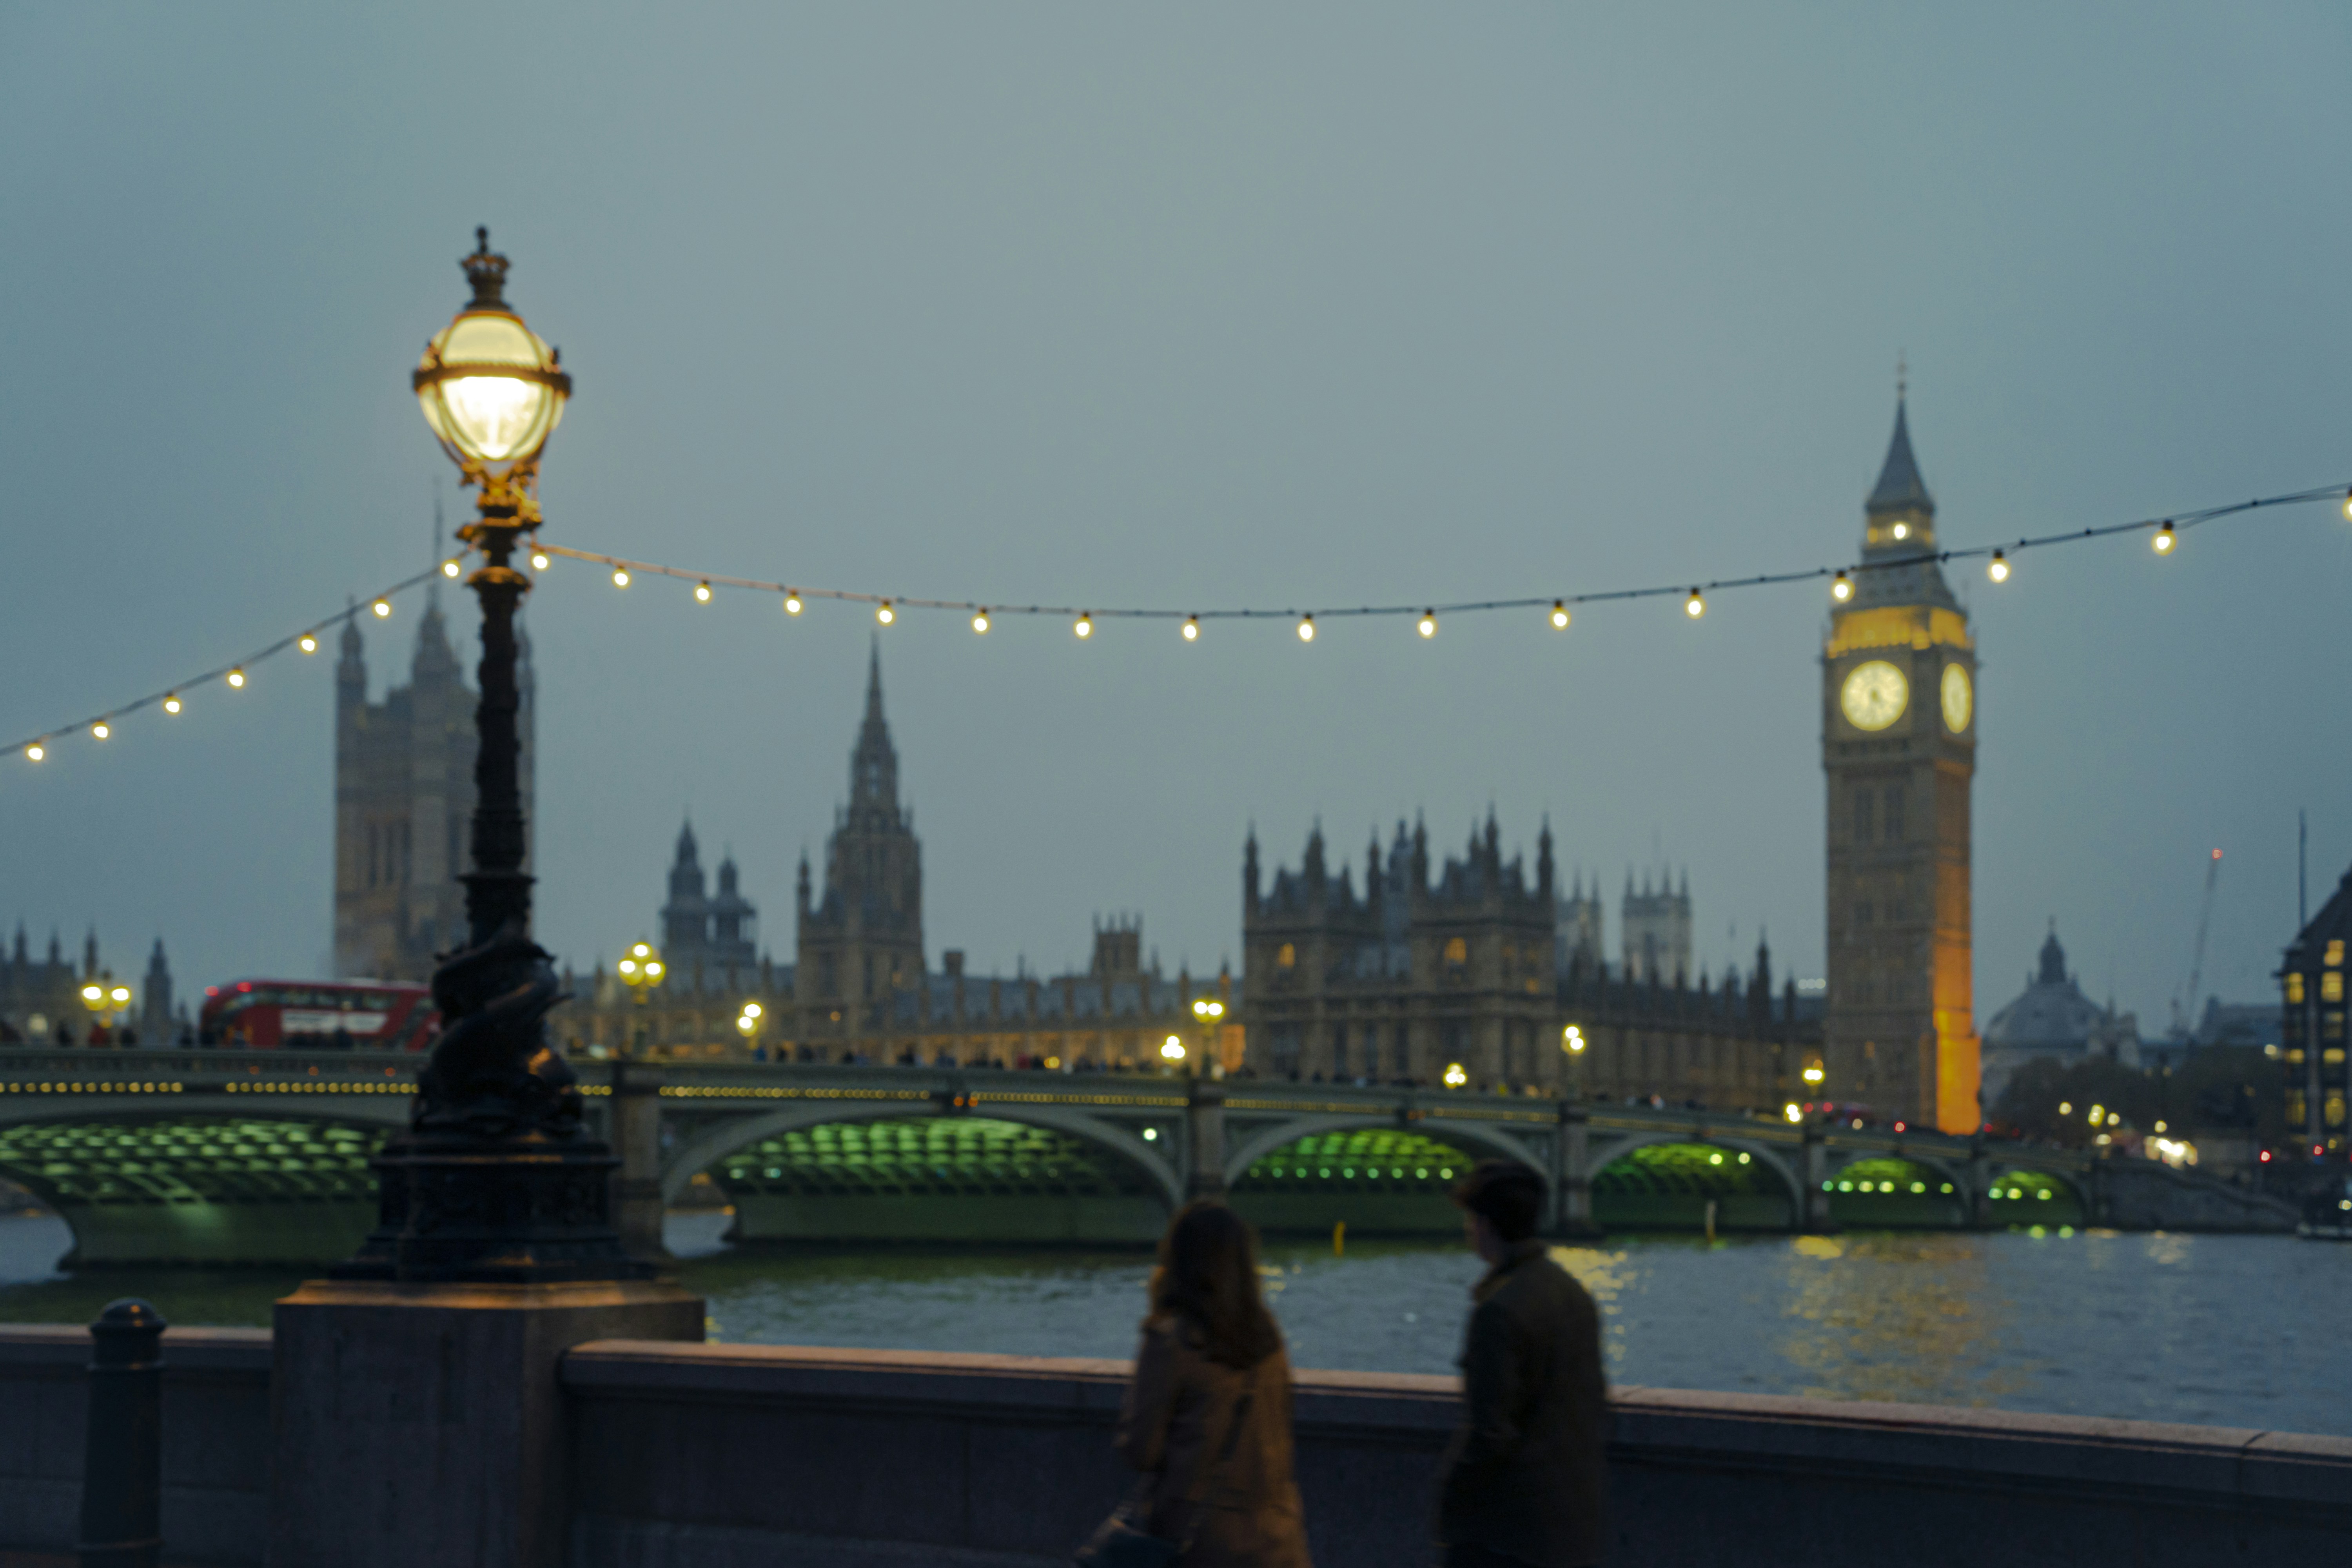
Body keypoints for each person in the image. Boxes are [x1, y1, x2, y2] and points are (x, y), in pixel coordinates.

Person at [1113, 1200, 1313, 1568]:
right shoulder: (1268, 1340)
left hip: (1201, 1544)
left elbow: (1141, 1450)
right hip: (1278, 1541)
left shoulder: (1172, 1340)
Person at [1436, 1160, 1608, 1568]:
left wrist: (1451, 1505)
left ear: (1483, 1224)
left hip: (1507, 1534)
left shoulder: (1499, 1309)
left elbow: (1490, 1432)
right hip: (1573, 1522)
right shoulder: (1574, 1293)